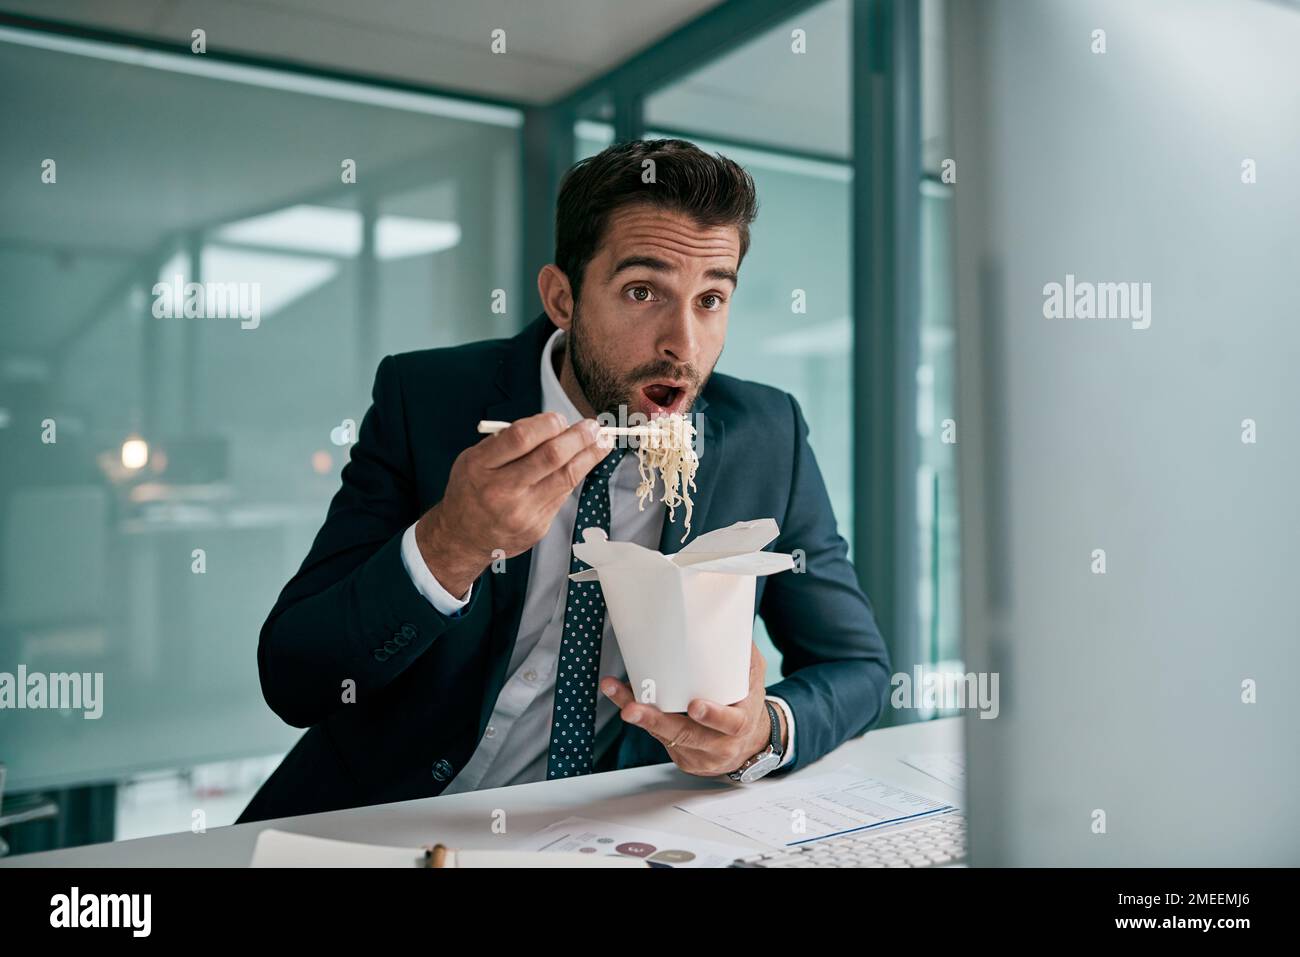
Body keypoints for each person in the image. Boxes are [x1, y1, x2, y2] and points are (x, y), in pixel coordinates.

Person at [237, 139, 890, 823]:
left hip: (598, 835)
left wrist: (763, 731)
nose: (684, 344)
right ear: (562, 297)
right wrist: (449, 544)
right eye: (643, 291)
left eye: (710, 299)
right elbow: (296, 678)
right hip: (375, 821)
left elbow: (859, 667)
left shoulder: (767, 433)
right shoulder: (426, 400)